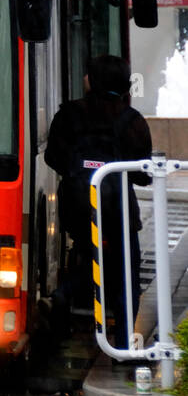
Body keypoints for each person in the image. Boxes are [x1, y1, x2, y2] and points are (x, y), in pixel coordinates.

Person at [45, 55, 152, 349]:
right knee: (125, 272)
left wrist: (80, 173)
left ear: (93, 80)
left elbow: (53, 157)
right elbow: (144, 176)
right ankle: (122, 343)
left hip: (79, 211)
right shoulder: (132, 121)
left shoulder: (69, 114)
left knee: (85, 256)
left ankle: (63, 300)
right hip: (119, 213)